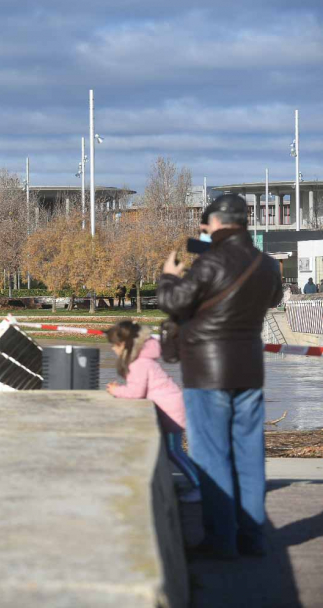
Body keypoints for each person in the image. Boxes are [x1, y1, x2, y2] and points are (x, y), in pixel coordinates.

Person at [158, 194, 283, 559]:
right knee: (248, 455)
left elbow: (173, 302)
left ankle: (221, 542)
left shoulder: (209, 263)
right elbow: (272, 300)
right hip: (250, 368)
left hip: (207, 371)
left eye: (205, 223)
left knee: (211, 456)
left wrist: (167, 276)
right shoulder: (267, 264)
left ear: (216, 221)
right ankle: (253, 539)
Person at [105, 320, 200, 502]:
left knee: (174, 451)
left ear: (124, 345)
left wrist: (116, 390)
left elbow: (136, 392)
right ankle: (196, 482)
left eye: (114, 345)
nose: (112, 349)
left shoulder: (138, 364)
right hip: (172, 405)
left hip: (170, 410)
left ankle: (200, 486)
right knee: (174, 450)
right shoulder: (143, 360)